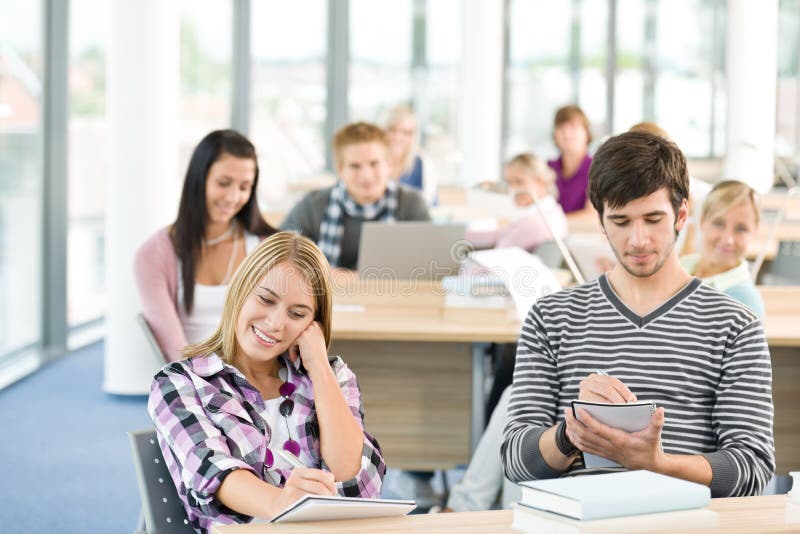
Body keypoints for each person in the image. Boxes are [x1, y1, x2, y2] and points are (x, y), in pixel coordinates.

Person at [502, 131, 774, 497]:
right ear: (601, 220)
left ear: (681, 215)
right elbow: (515, 461)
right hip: (579, 522)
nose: (638, 240)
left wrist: (656, 464)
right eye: (621, 221)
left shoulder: (735, 325)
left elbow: (753, 467)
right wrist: (571, 434)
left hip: (680, 522)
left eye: (652, 219)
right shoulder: (551, 317)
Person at [148, 232, 385, 531]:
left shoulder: (334, 377)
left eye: (297, 314)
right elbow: (212, 471)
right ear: (241, 290)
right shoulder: (180, 383)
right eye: (265, 299)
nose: (275, 324)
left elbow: (355, 480)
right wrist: (285, 503)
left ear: (313, 324)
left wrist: (319, 367)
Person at [135, 130, 276, 361]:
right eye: (223, 183)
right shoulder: (154, 255)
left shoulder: (265, 246)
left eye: (244, 187)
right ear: (198, 179)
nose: (233, 197)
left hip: (260, 378)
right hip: (195, 385)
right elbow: (175, 351)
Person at [280, 122, 431, 271]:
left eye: (374, 163)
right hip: (331, 294)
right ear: (340, 169)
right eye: (355, 166)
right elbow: (279, 254)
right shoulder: (313, 205)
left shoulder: (412, 204)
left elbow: (429, 260)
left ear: (388, 164)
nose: (366, 175)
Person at [681, 180, 764, 318]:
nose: (727, 240)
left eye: (741, 229)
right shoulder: (682, 266)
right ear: (702, 221)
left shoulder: (746, 303)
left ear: (755, 232)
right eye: (718, 223)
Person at [467, 152, 567, 252]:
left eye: (519, 182)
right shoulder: (553, 213)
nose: (512, 189)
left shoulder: (532, 223)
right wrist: (461, 235)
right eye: (509, 183)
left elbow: (498, 256)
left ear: (540, 182)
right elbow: (499, 234)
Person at [384, 104, 438, 206]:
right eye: (393, 130)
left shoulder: (423, 163)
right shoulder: (372, 163)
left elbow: (430, 204)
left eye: (406, 133)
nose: (398, 137)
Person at [548, 105, 594, 217]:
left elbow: (591, 217)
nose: (566, 134)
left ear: (586, 133)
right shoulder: (548, 168)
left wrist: (551, 223)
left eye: (573, 127)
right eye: (561, 128)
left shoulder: (598, 169)